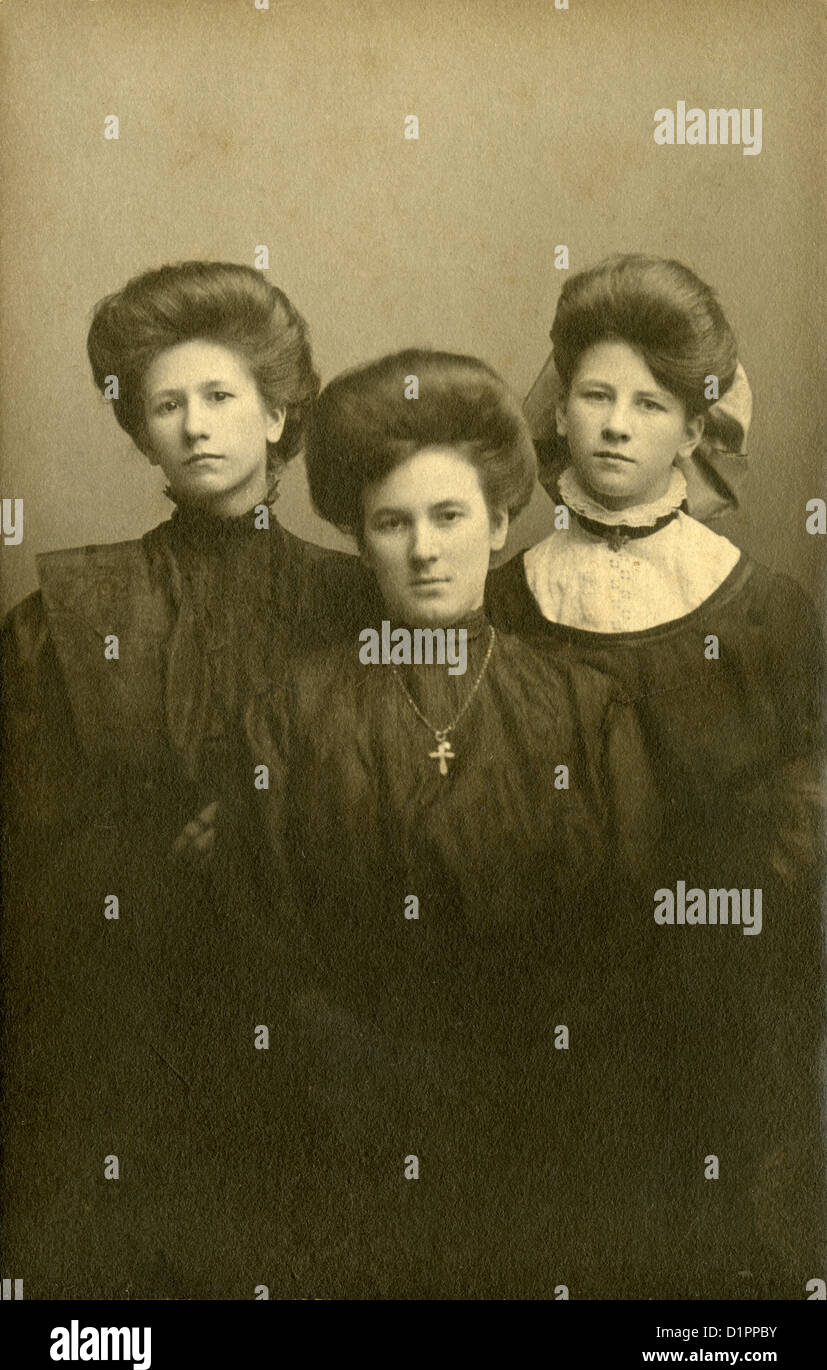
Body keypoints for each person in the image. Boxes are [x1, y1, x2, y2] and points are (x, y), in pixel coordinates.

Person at [239, 349, 667, 1299]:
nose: (424, 550)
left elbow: (630, 931)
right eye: (392, 523)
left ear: (502, 524)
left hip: (546, 1126)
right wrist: (368, 1074)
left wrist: (535, 1076)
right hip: (346, 1126)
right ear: (358, 538)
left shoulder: (584, 709)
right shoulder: (292, 712)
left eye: (449, 516)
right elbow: (268, 935)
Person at [0, 261, 369, 1299]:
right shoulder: (69, 614)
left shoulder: (357, 600)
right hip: (125, 1012)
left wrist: (272, 825)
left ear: (277, 410)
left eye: (220, 397)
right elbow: (29, 842)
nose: (195, 426)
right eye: (166, 404)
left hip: (317, 1011)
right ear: (139, 430)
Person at [487, 254, 824, 1297]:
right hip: (541, 984)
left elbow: (809, 789)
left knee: (702, 1240)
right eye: (594, 395)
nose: (617, 425)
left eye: (651, 402)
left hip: (718, 987)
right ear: (559, 409)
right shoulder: (503, 601)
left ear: (695, 426)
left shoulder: (765, 609)